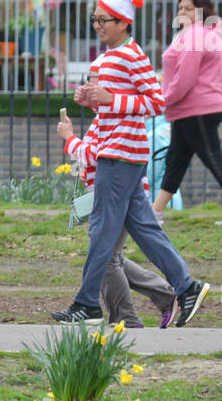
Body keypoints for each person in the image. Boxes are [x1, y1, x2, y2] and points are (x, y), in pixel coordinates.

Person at [49, 0, 211, 327]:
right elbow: (112, 108)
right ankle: (186, 286)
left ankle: (88, 305)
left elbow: (156, 103)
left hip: (121, 154)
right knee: (144, 228)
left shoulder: (132, 55)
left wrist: (111, 97)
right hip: (117, 152)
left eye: (102, 20)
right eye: (94, 20)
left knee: (102, 232)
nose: (97, 26)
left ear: (123, 23)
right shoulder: (106, 59)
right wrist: (93, 99)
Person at [59, 69, 176, 329]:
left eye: (95, 80)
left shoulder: (114, 117)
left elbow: (93, 154)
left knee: (105, 258)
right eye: (88, 79)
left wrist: (69, 140)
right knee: (112, 257)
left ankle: (127, 319)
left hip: (117, 194)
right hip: (110, 193)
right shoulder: (105, 116)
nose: (89, 85)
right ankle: (167, 296)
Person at [150, 0, 222, 226]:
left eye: (188, 8)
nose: (182, 12)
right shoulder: (206, 34)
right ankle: (156, 210)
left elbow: (185, 77)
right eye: (180, 8)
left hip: (196, 108)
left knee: (212, 157)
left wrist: (163, 99)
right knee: (176, 159)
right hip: (192, 108)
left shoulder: (196, 36)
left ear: (202, 11)